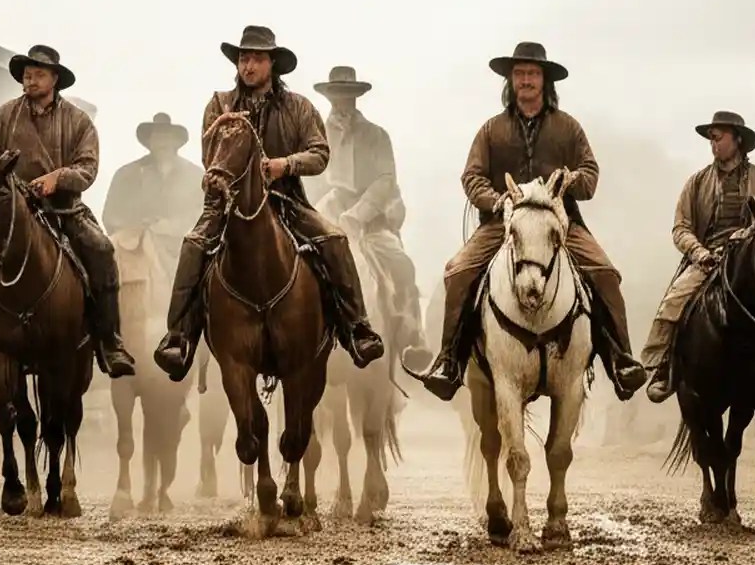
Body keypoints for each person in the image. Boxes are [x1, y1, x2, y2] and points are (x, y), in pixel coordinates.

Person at [404, 42, 648, 402]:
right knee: (457, 272)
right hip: (502, 224)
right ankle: (449, 362)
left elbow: (590, 175)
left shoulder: (568, 128)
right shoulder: (491, 129)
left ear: (545, 81)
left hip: (559, 224)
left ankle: (621, 360)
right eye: (519, 74)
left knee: (606, 274)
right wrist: (494, 200)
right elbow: (472, 176)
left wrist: (571, 180)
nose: (526, 80)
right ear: (511, 81)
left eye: (532, 74)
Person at [151, 25, 385, 381]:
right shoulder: (219, 104)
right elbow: (210, 153)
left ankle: (357, 328)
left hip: (286, 201)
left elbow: (319, 154)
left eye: (257, 58)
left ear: (272, 64)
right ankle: (179, 337)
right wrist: (227, 180)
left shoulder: (299, 107)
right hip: (227, 204)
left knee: (335, 239)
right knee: (193, 244)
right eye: (244, 58)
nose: (248, 66)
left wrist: (284, 165)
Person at [0, 45, 136, 378]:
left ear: (55, 78)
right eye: (27, 74)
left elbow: (88, 168)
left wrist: (58, 178)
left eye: (39, 73)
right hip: (10, 210)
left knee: (102, 250)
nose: (31, 79)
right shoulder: (3, 116)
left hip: (65, 210)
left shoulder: (78, 121)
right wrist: (5, 176)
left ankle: (109, 340)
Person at [641, 111, 755, 419]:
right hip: (709, 258)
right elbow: (680, 227)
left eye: (719, 137)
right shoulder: (697, 183)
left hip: (752, 260)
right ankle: (663, 368)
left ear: (738, 140)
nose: (713, 144)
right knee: (672, 303)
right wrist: (698, 252)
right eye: (711, 138)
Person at [306, 66, 430, 369]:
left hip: (370, 221)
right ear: (329, 97)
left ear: (356, 97)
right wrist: (320, 211)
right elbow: (311, 181)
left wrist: (358, 215)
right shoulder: (314, 137)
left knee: (401, 264)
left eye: (347, 95)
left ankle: (413, 336)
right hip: (326, 218)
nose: (341, 101)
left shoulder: (376, 136)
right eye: (336, 95)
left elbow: (386, 179)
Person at [102, 112, 204, 263]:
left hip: (182, 250)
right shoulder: (127, 174)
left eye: (166, 136)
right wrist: (141, 228)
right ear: (149, 141)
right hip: (136, 251)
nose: (162, 142)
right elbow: (110, 216)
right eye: (157, 136)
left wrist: (172, 227)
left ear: (176, 141)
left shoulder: (196, 176)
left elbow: (204, 215)